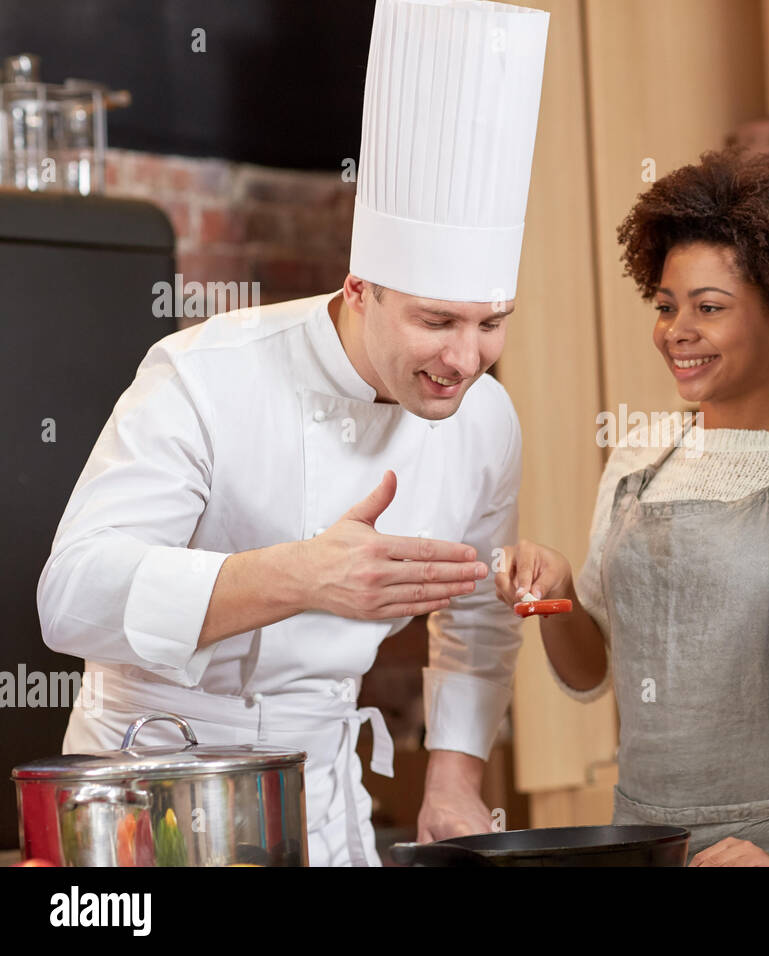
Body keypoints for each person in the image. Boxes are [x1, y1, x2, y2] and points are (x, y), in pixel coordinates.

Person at [36, 0, 550, 866]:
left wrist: (455, 779)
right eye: (437, 321)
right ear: (359, 291)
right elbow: (73, 598)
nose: (467, 359)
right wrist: (299, 576)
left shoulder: (487, 421)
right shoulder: (202, 374)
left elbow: (476, 617)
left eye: (491, 323)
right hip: (152, 787)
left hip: (319, 793)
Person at [494, 147, 769, 865]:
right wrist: (558, 592)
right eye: (665, 306)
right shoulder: (636, 461)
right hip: (641, 844)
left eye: (708, 308)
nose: (675, 330)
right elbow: (593, 669)